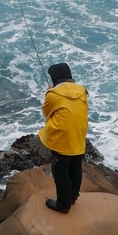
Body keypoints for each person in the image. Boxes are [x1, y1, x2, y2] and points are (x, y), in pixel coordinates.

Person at [38, 62, 88, 213]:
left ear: (54, 79)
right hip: (79, 136)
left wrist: (52, 94)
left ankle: (63, 204)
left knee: (60, 171)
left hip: (61, 139)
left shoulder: (53, 95)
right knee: (75, 167)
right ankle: (73, 196)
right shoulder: (82, 91)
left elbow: (47, 114)